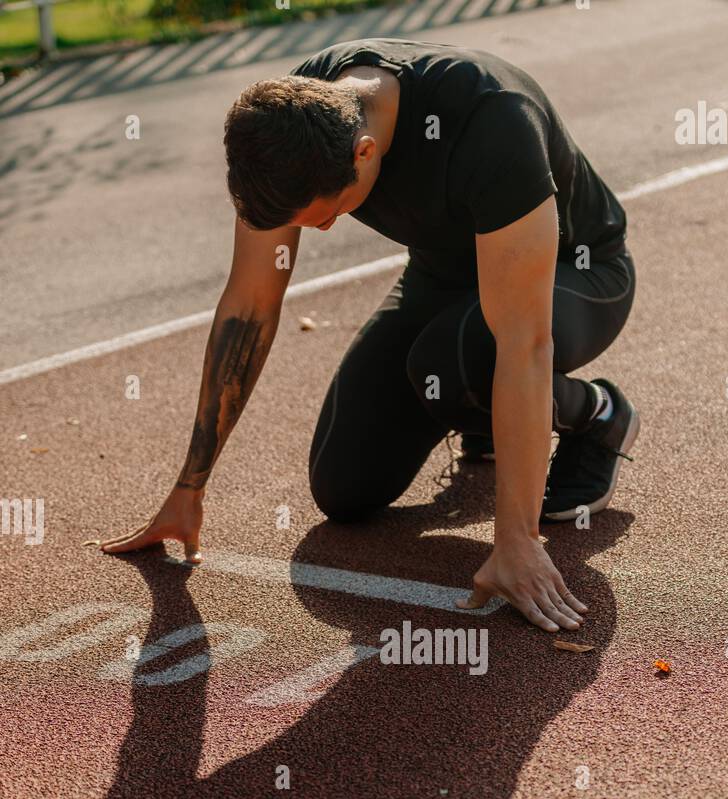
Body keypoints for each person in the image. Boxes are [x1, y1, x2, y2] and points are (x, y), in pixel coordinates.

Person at [102, 38, 638, 633]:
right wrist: (189, 485)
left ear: (363, 151)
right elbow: (252, 303)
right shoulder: (287, 126)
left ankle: (595, 415)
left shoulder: (491, 120)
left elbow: (525, 343)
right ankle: (484, 414)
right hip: (444, 278)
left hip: (577, 274)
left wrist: (516, 539)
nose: (326, 228)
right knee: (345, 487)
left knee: (469, 358)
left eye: (329, 214)